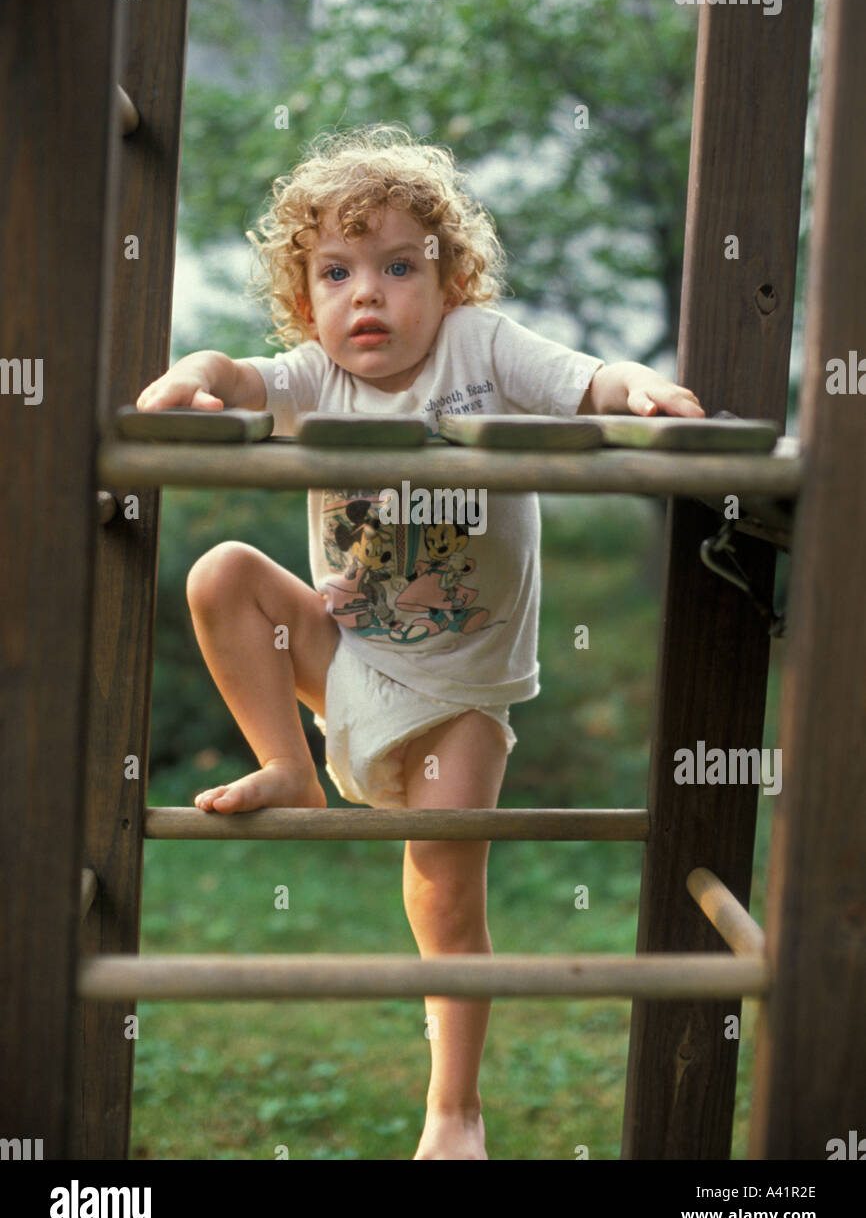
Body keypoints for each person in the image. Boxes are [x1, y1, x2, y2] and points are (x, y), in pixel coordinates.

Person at [136, 124, 704, 1159]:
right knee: (220, 573)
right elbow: (240, 377)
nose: (369, 294)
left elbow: (585, 379)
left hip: (459, 697)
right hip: (348, 660)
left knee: (442, 889)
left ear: (449, 284)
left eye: (401, 267)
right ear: (305, 296)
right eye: (337, 272)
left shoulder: (480, 349)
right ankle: (287, 764)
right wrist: (193, 374)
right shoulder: (313, 375)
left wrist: (638, 391)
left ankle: (453, 1110)